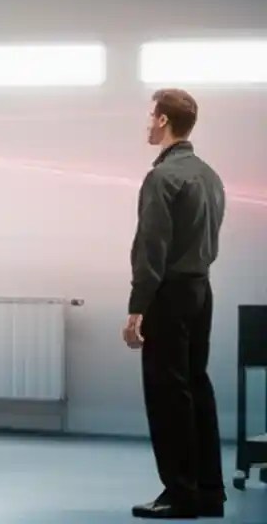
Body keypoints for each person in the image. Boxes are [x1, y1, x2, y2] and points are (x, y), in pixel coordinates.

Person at [125, 88, 226, 519]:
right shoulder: (209, 175)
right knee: (196, 388)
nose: (147, 122)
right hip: (201, 291)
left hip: (168, 295)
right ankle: (207, 491)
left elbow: (151, 249)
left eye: (151, 115)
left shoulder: (162, 178)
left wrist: (137, 308)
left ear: (164, 120)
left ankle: (178, 495)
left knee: (167, 395)